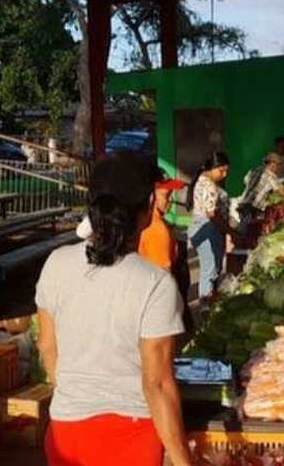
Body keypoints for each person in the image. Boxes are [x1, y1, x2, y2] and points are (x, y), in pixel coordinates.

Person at [35, 152, 192, 466]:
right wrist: (183, 461)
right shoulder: (155, 283)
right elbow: (158, 384)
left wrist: (76, 398)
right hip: (129, 437)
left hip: (66, 432)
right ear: (149, 205)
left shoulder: (56, 263)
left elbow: (47, 348)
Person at [187, 151, 232, 300]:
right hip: (208, 228)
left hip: (204, 226)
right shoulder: (208, 185)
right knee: (210, 270)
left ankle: (210, 300)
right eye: (222, 170)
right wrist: (231, 231)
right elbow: (212, 215)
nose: (225, 175)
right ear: (213, 167)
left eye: (226, 171)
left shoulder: (203, 179)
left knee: (212, 268)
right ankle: (205, 304)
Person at [138, 171, 187, 271]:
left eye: (171, 194)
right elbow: (164, 274)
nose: (171, 199)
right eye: (166, 195)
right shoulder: (158, 230)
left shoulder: (144, 220)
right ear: (152, 197)